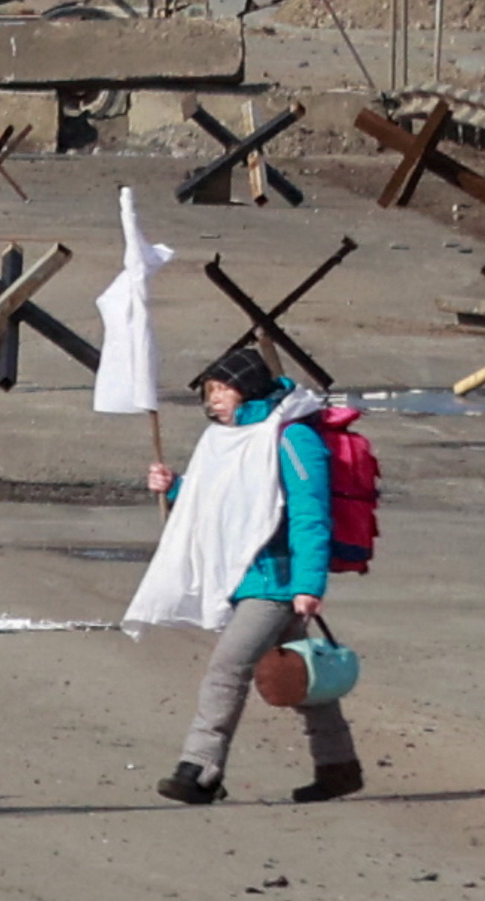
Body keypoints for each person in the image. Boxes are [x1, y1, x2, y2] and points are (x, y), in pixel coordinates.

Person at [130, 341, 360, 807]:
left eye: (222, 390)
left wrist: (308, 586)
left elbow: (310, 515)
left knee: (226, 669)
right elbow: (217, 502)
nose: (213, 400)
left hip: (276, 582)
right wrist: (175, 487)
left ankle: (201, 770)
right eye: (210, 392)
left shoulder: (292, 438)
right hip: (243, 579)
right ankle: (338, 768)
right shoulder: (223, 439)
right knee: (300, 674)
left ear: (247, 389)